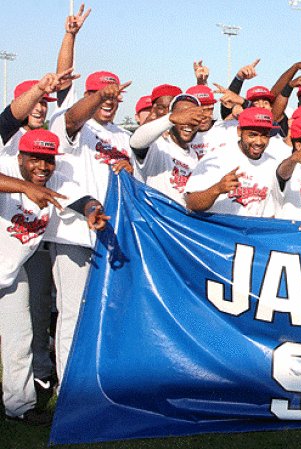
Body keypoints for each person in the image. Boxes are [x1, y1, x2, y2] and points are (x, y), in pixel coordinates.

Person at [0, 129, 108, 424]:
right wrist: (23, 188)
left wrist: (90, 211)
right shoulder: (6, 166)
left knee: (19, 338)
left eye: (48, 160)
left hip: (10, 270)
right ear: (20, 157)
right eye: (35, 159)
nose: (42, 167)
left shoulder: (54, 180)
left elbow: (82, 198)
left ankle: (18, 408)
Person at [47, 72, 132, 386]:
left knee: (105, 311)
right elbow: (71, 116)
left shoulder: (121, 135)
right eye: (99, 94)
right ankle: (70, 383)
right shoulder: (73, 126)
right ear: (88, 95)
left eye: (112, 95)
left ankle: (97, 378)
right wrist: (98, 94)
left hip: (109, 235)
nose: (108, 100)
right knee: (72, 313)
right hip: (72, 231)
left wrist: (130, 169)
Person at [184, 107, 278, 217]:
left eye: (265, 136)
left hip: (252, 232)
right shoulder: (217, 157)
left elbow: (270, 213)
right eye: (252, 135)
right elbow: (191, 202)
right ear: (239, 131)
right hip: (219, 232)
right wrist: (217, 189)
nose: (259, 142)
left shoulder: (272, 163)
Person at [130, 94, 208, 205]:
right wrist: (170, 119)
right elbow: (136, 142)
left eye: (193, 117)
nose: (188, 123)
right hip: (155, 220)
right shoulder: (158, 146)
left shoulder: (194, 157)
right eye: (183, 116)